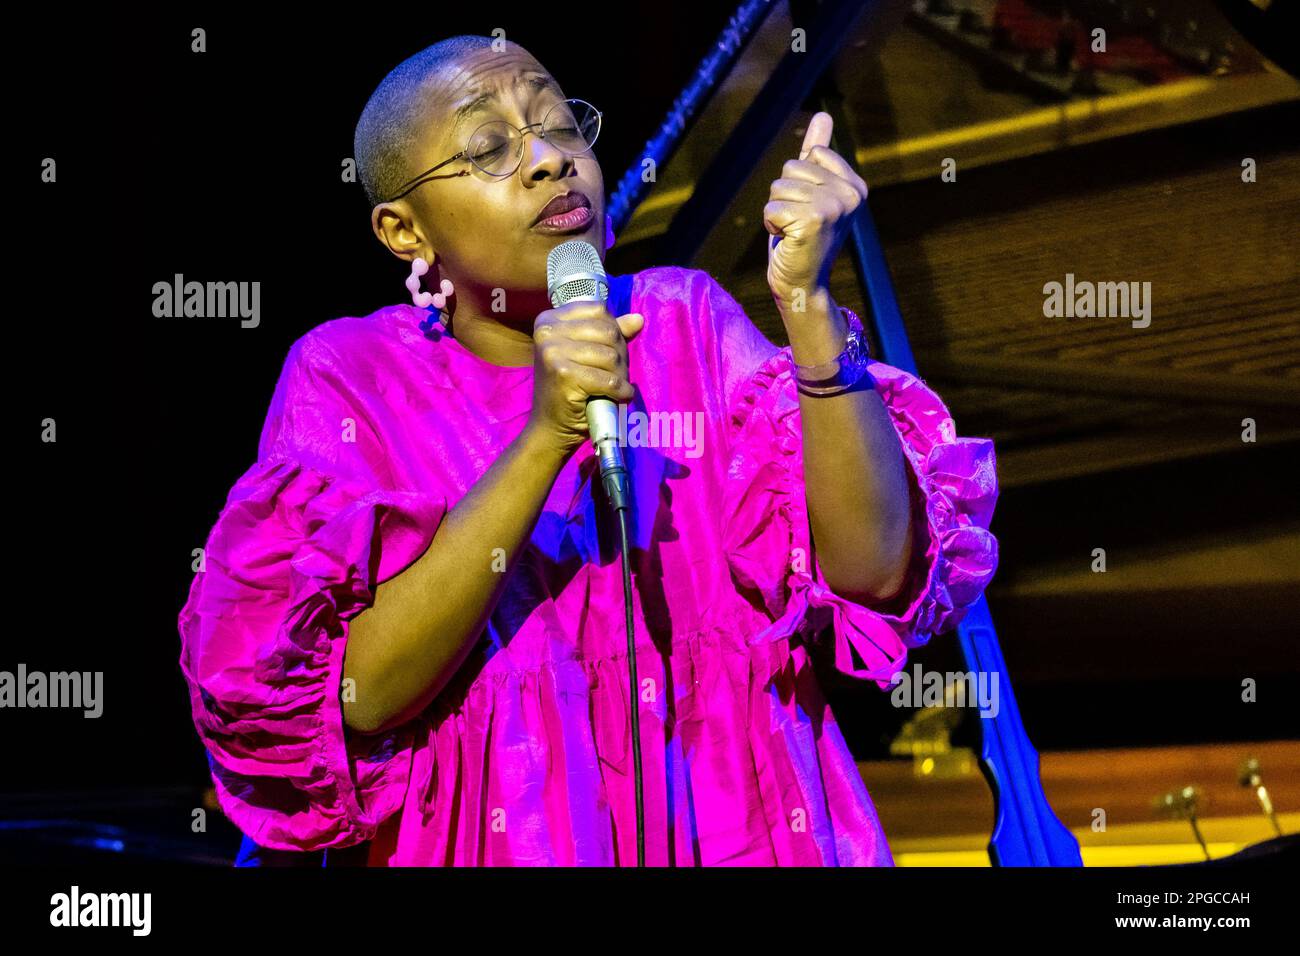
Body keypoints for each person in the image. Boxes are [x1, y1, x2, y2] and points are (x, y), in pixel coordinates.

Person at [177, 34, 999, 866]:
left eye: (561, 126)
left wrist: (811, 309)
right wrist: (546, 437)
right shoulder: (354, 377)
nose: (547, 160)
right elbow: (360, 696)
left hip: (737, 829)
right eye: (489, 148)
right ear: (402, 228)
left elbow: (875, 572)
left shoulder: (686, 321)